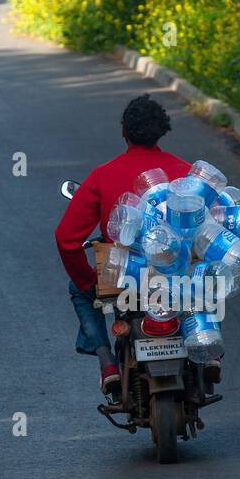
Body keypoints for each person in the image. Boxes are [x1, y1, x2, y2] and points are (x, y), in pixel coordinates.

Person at [55, 94, 191, 395]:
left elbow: (66, 239)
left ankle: (107, 363)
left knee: (78, 290)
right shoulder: (187, 173)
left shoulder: (101, 176)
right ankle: (211, 352)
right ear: (162, 130)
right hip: (176, 274)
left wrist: (87, 279)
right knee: (208, 286)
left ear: (123, 131)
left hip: (122, 274)